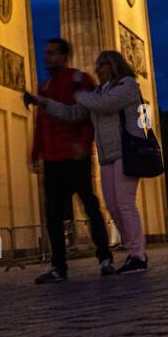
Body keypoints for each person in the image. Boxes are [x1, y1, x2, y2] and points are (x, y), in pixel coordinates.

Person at [27, 50, 150, 274]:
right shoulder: (98, 92)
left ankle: (137, 255)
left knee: (124, 203)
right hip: (106, 157)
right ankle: (134, 250)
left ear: (113, 65)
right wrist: (43, 101)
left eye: (101, 64)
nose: (96, 69)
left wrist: (79, 93)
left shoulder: (128, 85)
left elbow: (105, 105)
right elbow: (73, 114)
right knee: (112, 207)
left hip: (126, 153)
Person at [31, 37, 114, 283]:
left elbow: (90, 115)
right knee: (53, 215)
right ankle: (58, 266)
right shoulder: (43, 86)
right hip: (53, 159)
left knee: (90, 207)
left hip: (75, 156)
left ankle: (105, 257)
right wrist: (36, 152)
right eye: (46, 53)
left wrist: (85, 143)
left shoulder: (80, 80)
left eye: (53, 53)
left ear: (65, 56)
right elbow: (40, 121)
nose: (47, 57)